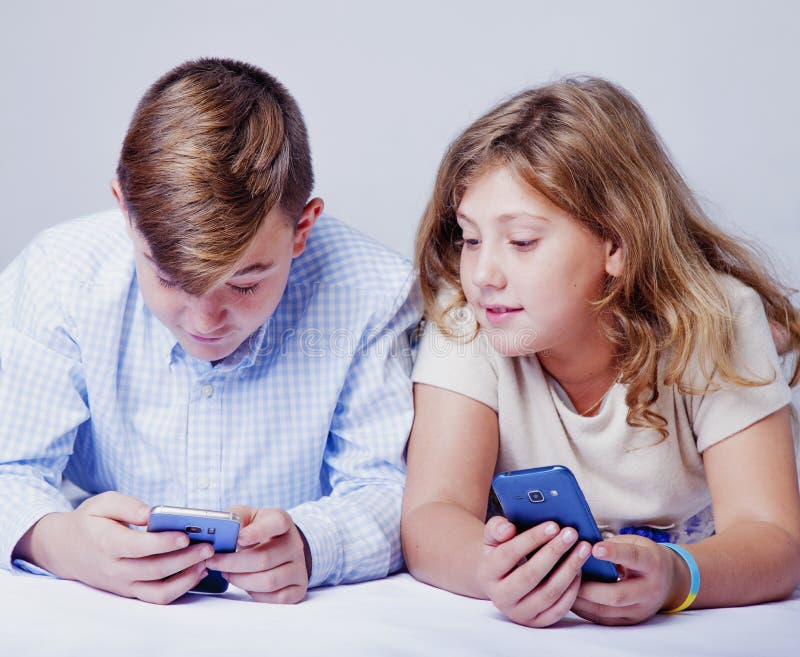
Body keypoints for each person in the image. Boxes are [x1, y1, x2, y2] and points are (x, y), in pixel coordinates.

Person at [0, 58, 418, 605]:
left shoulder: (372, 294)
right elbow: (9, 467)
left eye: (245, 284)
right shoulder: (60, 274)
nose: (204, 322)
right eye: (170, 279)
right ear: (126, 213)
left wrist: (314, 546)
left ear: (303, 229)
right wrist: (57, 543)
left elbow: (390, 491)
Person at [401, 76, 800, 627]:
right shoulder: (465, 322)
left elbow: (774, 540)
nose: (483, 274)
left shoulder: (719, 319)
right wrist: (489, 570)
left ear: (616, 244)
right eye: (471, 239)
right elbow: (431, 514)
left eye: (521, 241)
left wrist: (675, 578)